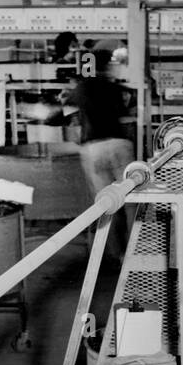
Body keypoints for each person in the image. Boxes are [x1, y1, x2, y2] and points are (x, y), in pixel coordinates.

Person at [64, 49, 134, 258]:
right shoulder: (114, 87)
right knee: (131, 202)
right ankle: (134, 254)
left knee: (106, 204)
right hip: (119, 145)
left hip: (93, 149)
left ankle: (116, 254)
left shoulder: (81, 88)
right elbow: (125, 109)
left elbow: (64, 111)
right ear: (107, 66)